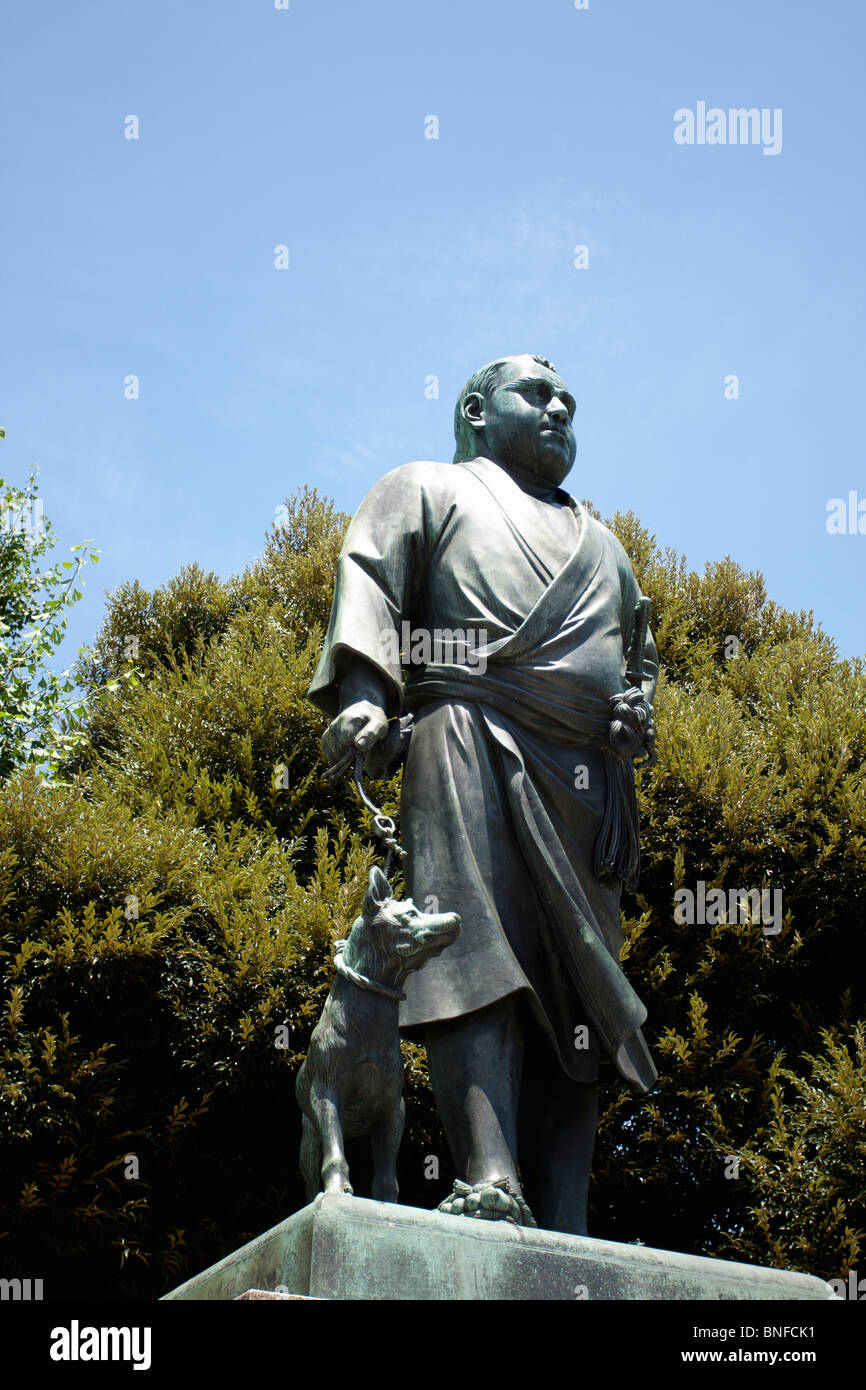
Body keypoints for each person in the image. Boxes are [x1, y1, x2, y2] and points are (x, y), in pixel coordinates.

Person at [307, 354, 658, 1234]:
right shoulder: (424, 486)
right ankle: (490, 1174)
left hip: (585, 782)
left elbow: (640, 657)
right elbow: (373, 582)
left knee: (584, 992)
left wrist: (633, 715)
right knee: (473, 946)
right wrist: (362, 696)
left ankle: (568, 1211)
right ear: (473, 409)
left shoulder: (604, 545)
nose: (560, 405)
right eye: (537, 393)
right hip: (462, 732)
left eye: (568, 398)